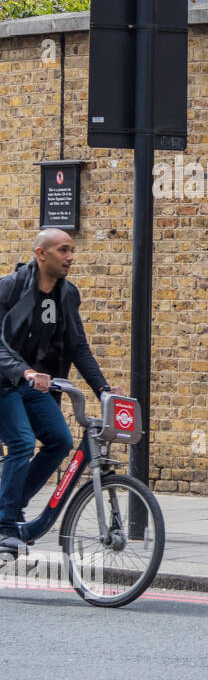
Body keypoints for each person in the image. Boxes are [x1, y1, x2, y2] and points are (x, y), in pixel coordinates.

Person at [0, 229, 113, 555]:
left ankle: (10, 503)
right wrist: (25, 371)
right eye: (63, 250)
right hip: (5, 381)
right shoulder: (9, 289)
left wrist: (103, 388)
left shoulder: (66, 295)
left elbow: (78, 347)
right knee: (21, 441)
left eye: (72, 250)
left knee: (60, 440)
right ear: (41, 253)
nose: (70, 257)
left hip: (30, 383)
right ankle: (5, 526)